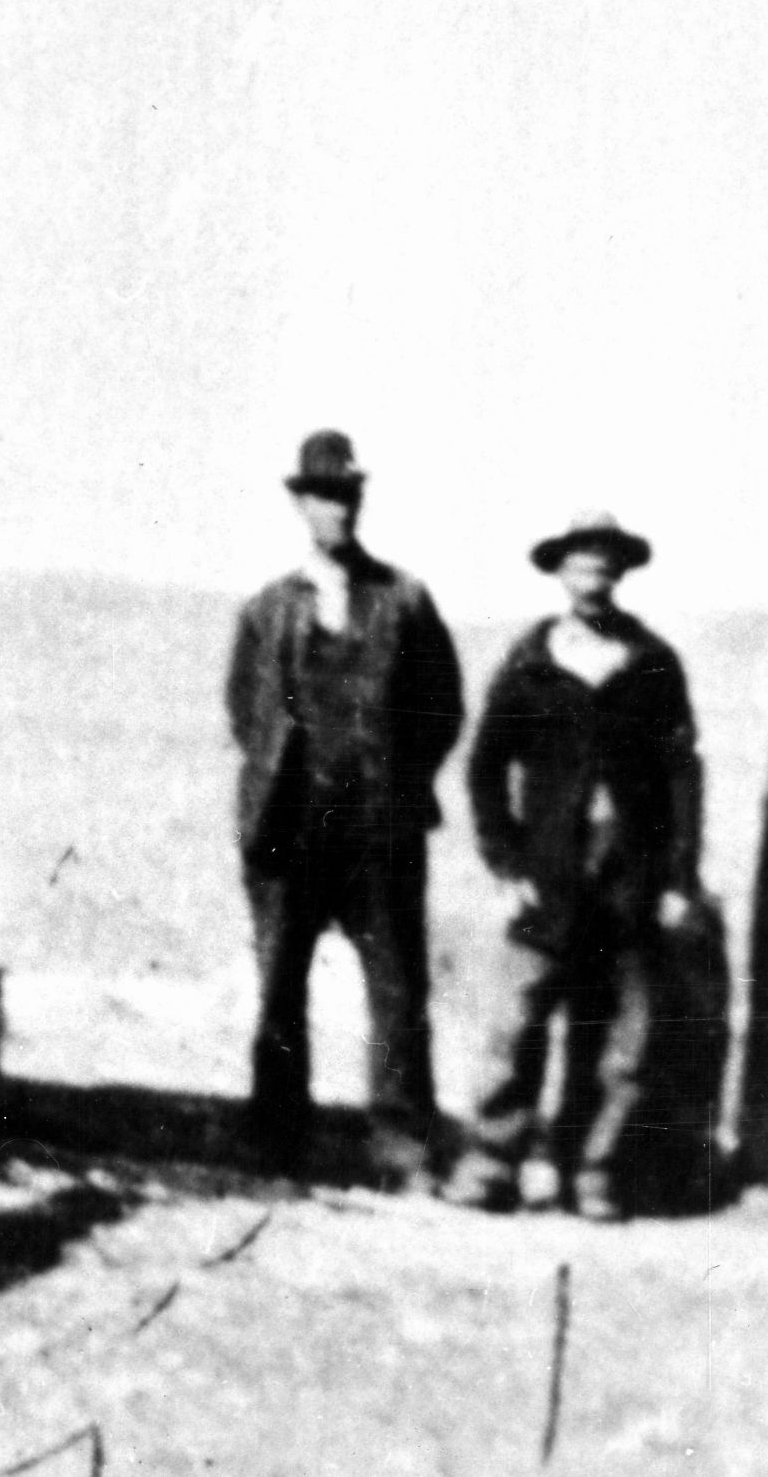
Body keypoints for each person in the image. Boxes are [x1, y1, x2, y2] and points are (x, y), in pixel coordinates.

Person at [444, 514, 705, 1219]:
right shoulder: (529, 662)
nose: (592, 574)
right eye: (580, 562)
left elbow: (681, 774)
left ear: (620, 573)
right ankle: (490, 1164)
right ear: (560, 572)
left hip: (630, 874)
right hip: (548, 873)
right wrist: (505, 863)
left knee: (622, 1034)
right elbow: (485, 767)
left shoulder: (651, 663)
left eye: (605, 562)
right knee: (516, 1022)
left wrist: (677, 881)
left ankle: (592, 1171)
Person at [225, 428, 468, 1183]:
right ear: (301, 506)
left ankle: (399, 1140)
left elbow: (442, 706)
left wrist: (399, 783)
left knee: (398, 988)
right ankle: (277, 1139)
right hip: (290, 827)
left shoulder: (404, 599)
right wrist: (283, 778)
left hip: (378, 829)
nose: (338, 510)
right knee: (279, 985)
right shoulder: (268, 608)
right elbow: (244, 709)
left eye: (348, 496)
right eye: (325, 497)